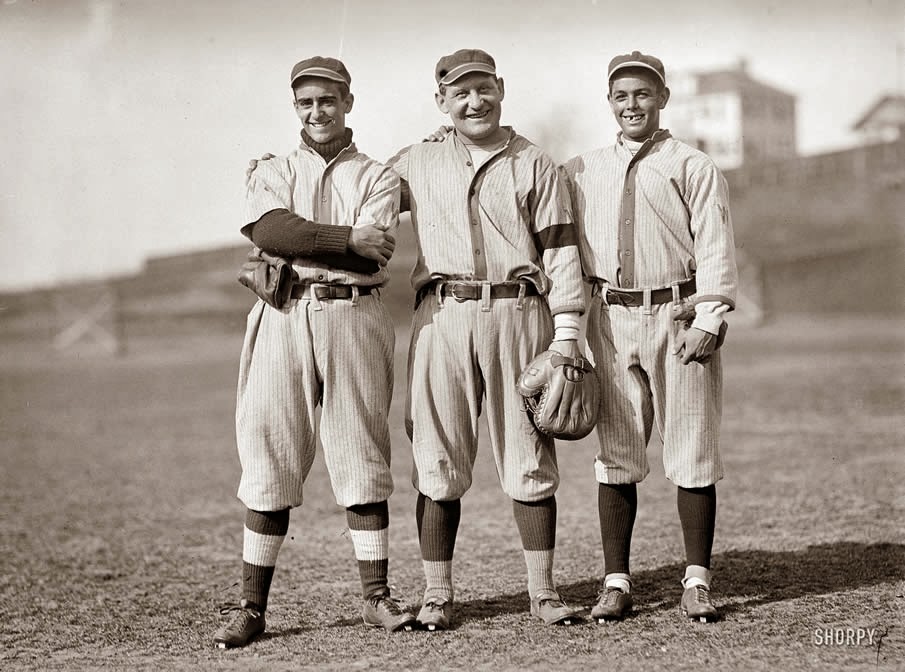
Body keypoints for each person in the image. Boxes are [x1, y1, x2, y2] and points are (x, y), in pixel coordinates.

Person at [213, 56, 415, 649]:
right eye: (305, 103)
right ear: (294, 108)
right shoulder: (272, 169)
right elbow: (269, 230)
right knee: (269, 451)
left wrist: (334, 242)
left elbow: (370, 255)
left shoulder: (377, 176)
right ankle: (252, 606)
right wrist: (342, 236)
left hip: (354, 314)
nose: (316, 112)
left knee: (360, 448)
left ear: (348, 102)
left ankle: (376, 598)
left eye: (327, 100)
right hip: (281, 314)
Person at [387, 48, 587, 630]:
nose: (474, 102)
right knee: (437, 456)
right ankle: (436, 592)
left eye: (483, 89)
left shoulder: (534, 163)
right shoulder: (414, 161)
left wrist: (567, 335)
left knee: (528, 453)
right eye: (460, 93)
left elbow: (562, 252)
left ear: (501, 88)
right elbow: (357, 195)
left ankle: (542, 591)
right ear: (442, 102)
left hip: (520, 315)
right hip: (443, 315)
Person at [561, 51, 738, 624]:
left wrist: (710, 319)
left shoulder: (693, 164)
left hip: (678, 314)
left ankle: (696, 580)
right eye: (621, 95)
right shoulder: (581, 169)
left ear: (662, 98)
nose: (631, 105)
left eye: (642, 94)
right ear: (609, 102)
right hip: (610, 320)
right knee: (617, 454)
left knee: (691, 450)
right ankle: (616, 583)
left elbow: (714, 245)